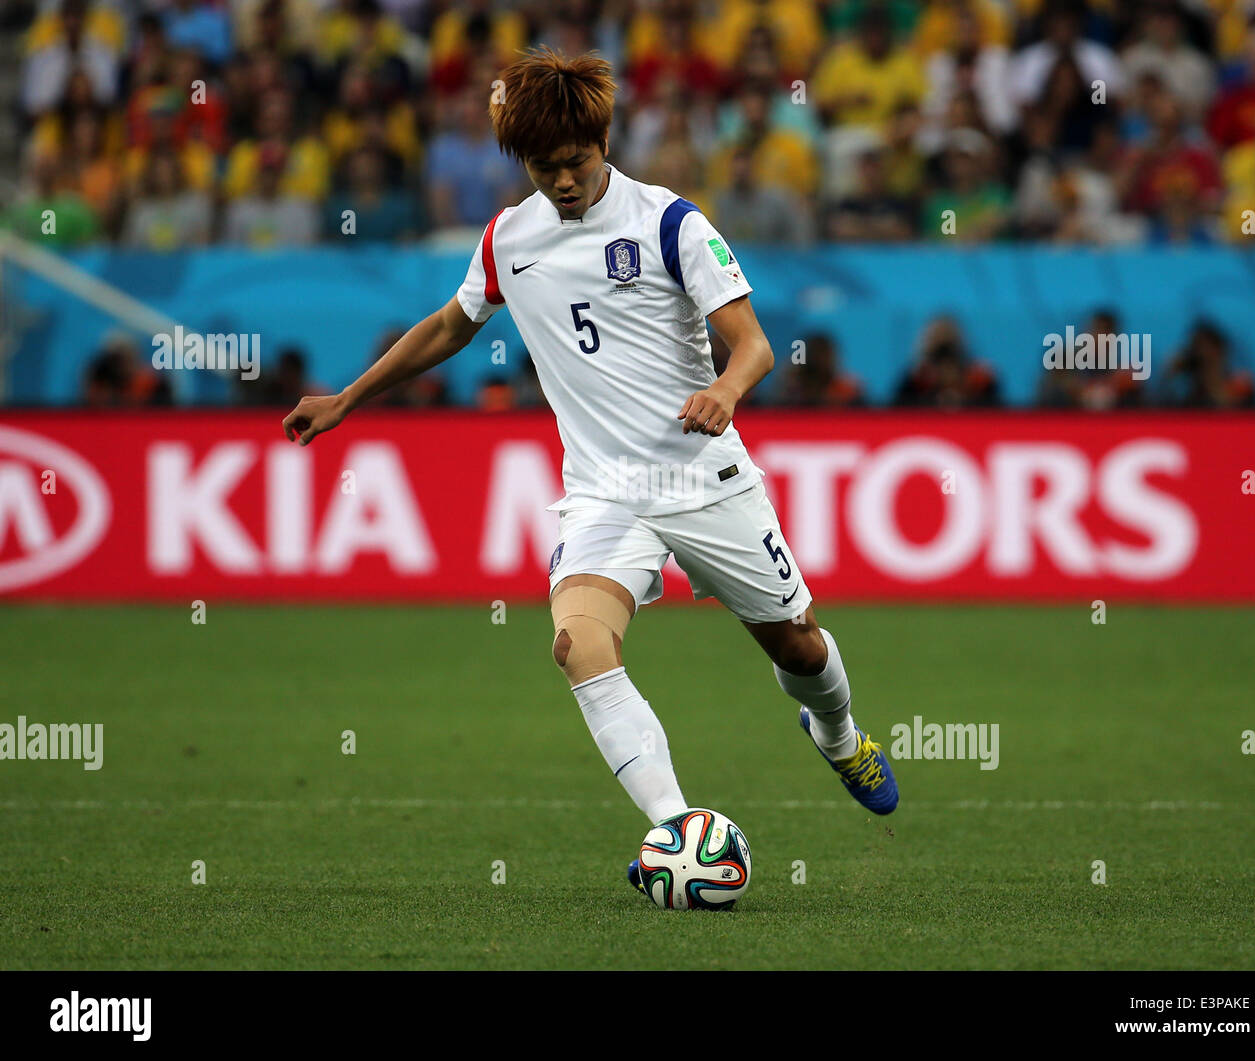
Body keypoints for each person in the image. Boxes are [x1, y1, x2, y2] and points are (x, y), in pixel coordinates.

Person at [281, 47, 899, 892]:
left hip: (701, 478)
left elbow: (753, 343)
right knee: (577, 644)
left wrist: (724, 387)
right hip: (604, 493)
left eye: (574, 163)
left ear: (603, 141)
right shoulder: (509, 238)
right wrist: (349, 396)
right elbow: (450, 326)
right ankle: (680, 830)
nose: (562, 182)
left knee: (796, 644)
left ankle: (840, 738)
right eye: (544, 168)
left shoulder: (670, 222)